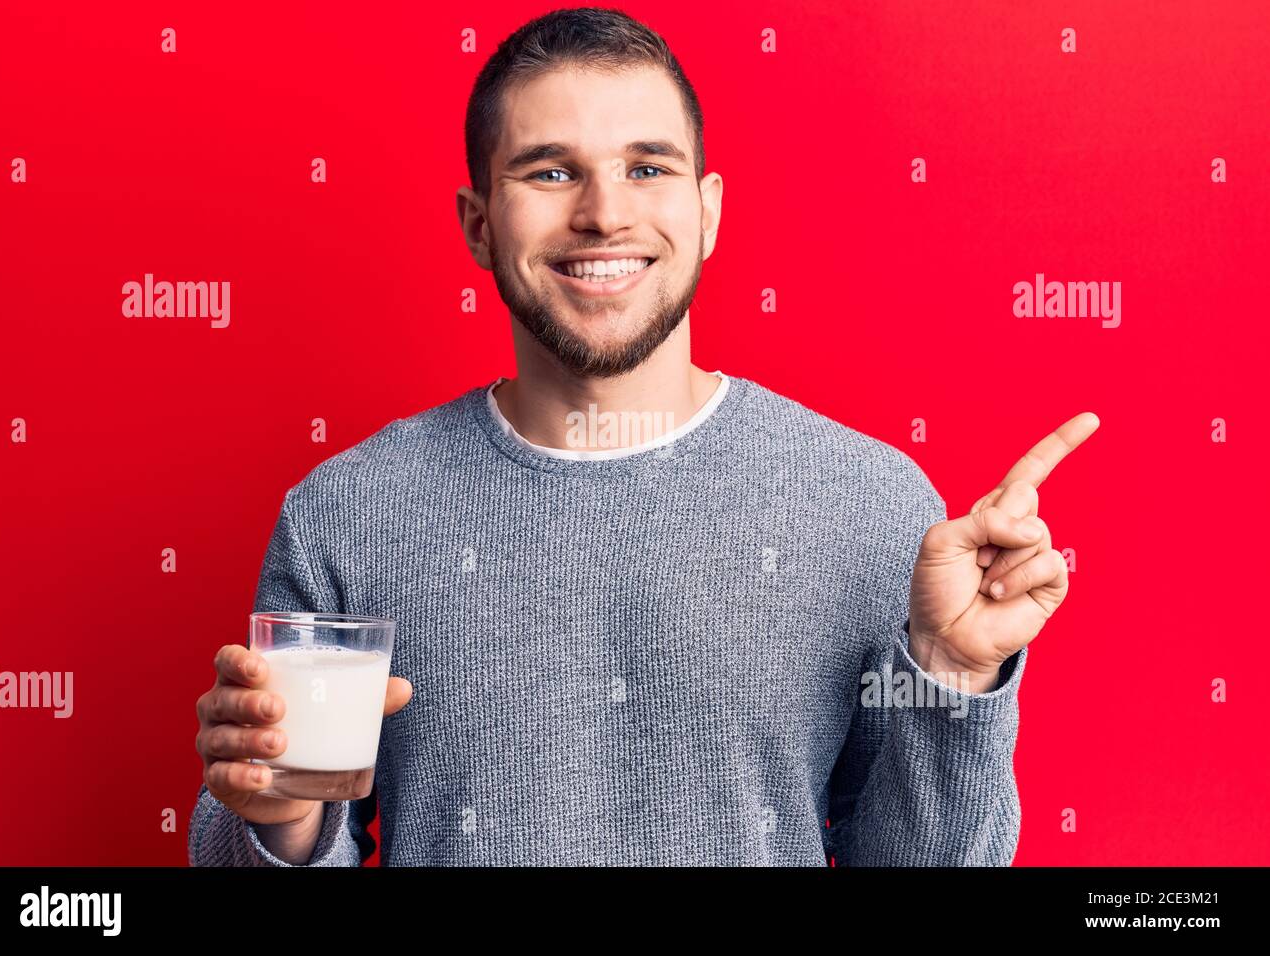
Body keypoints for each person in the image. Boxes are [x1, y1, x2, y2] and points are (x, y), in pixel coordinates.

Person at [189, 7, 1097, 866]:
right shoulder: (347, 512)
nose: (604, 214)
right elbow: (270, 825)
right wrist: (283, 819)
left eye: (647, 167)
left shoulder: (869, 502)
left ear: (706, 211)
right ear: (477, 225)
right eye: (550, 171)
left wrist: (954, 676)